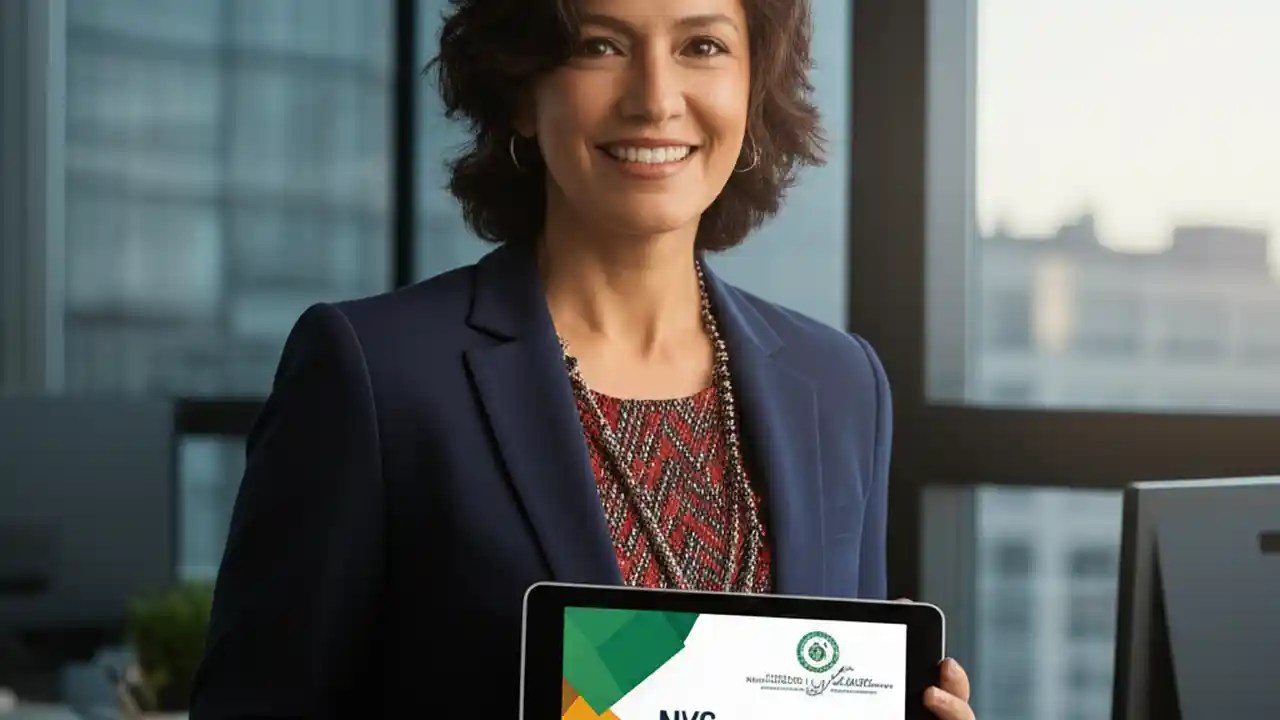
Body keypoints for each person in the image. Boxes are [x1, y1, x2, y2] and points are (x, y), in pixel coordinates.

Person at [188, 0, 976, 718]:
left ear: (753, 85)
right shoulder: (375, 374)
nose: (655, 99)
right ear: (522, 92)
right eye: (600, 46)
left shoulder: (840, 384)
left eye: (702, 46)